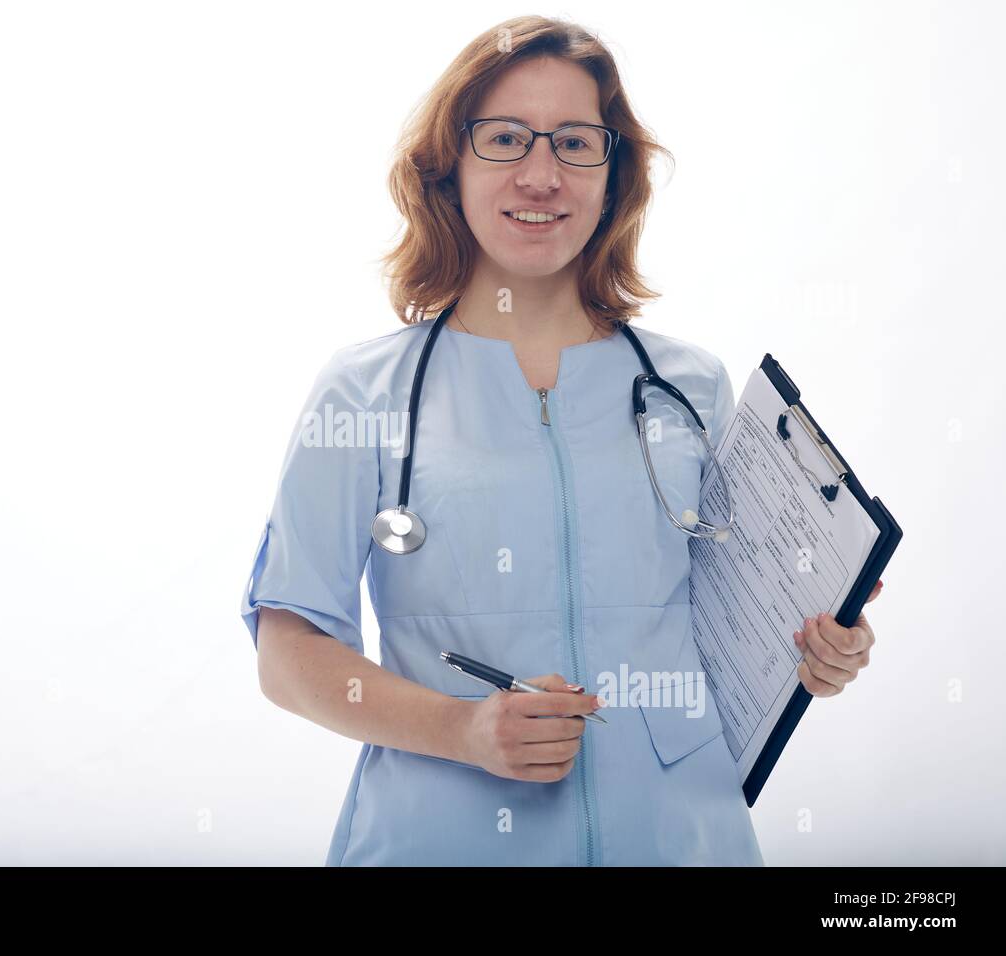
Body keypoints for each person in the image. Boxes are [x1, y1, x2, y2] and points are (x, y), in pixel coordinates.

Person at [239, 15, 883, 866]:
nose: (541, 175)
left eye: (576, 143)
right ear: (449, 166)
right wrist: (463, 729)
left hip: (683, 841)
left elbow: (739, 627)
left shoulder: (690, 388)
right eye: (505, 138)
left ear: (613, 175)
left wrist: (817, 650)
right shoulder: (362, 394)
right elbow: (289, 654)